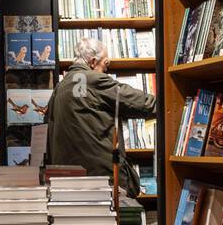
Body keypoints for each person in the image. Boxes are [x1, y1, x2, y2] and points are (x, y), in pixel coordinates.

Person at [46, 37, 156, 195]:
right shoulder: (92, 80)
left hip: (66, 181)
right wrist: (165, 103)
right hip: (101, 179)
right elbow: (137, 102)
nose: (106, 70)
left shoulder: (59, 88)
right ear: (92, 61)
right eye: (106, 63)